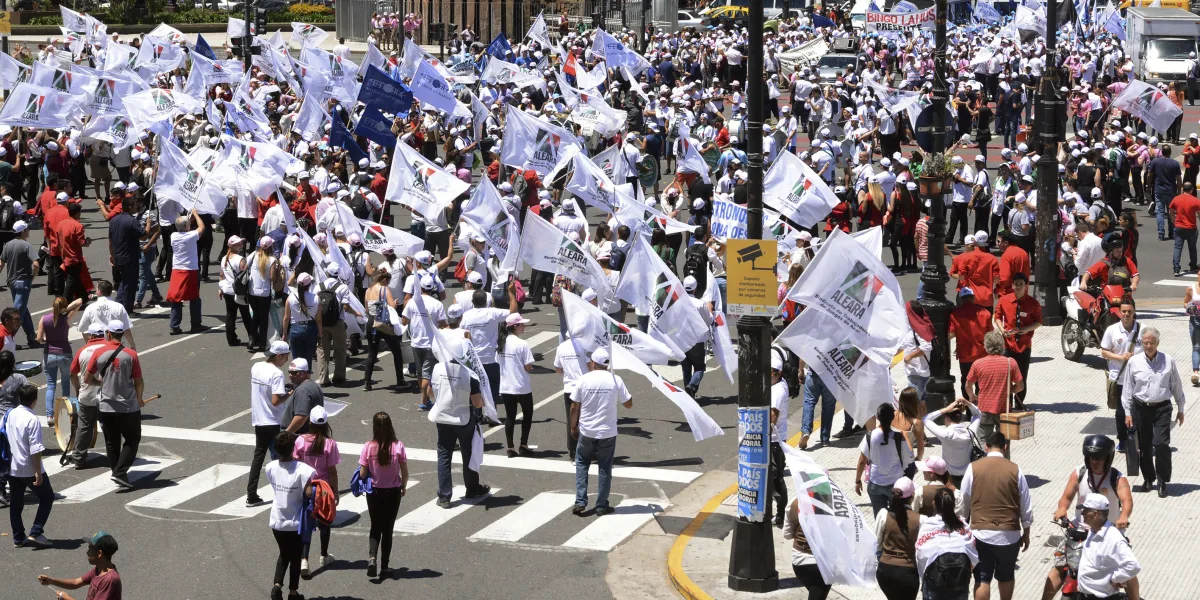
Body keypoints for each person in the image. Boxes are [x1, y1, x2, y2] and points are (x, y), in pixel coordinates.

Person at [1044, 436, 1133, 599]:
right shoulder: (1080, 473)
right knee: (1059, 567)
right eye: (1091, 458)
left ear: (1108, 458)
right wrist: (1062, 508)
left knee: (1128, 570)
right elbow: (1067, 497)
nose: (1095, 462)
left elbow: (1127, 500)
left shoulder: (1117, 478)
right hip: (1079, 530)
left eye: (1099, 458)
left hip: (1108, 531)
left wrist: (1124, 516)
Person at [960, 432, 1033, 600]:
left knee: (982, 579)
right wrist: (1027, 531)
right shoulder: (1016, 470)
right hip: (1009, 536)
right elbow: (1025, 504)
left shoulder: (973, 468)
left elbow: (964, 498)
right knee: (1007, 576)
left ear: (986, 446)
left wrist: (964, 523)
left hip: (980, 534)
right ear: (1005, 447)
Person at [1120, 326, 1186, 497]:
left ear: (1158, 343)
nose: (1148, 346)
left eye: (1152, 343)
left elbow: (1176, 385)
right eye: (1145, 343)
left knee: (1161, 444)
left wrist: (1181, 408)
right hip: (1140, 408)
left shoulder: (1168, 361)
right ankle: (1148, 478)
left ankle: (1162, 479)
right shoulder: (1134, 362)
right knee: (1145, 447)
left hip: (1162, 408)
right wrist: (1127, 412)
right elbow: (1128, 388)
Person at [570, 347, 632, 516]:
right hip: (607, 432)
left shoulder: (583, 380)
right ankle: (601, 505)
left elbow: (574, 406)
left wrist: (573, 427)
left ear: (593, 364)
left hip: (587, 430)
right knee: (605, 467)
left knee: (582, 464)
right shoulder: (615, 379)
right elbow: (628, 403)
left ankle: (580, 501)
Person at [429, 335, 489, 508]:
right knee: (468, 453)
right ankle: (472, 487)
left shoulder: (438, 368)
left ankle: (445, 496)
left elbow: (430, 392)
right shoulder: (469, 374)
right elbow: (477, 402)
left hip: (443, 416)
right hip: (463, 417)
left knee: (444, 454)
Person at [85, 320, 145, 489]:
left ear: (108, 334)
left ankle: (117, 473)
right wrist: (139, 398)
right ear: (121, 335)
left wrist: (101, 384)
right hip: (128, 406)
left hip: (106, 406)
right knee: (133, 439)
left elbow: (87, 379)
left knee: (111, 442)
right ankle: (120, 473)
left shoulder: (99, 353)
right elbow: (139, 381)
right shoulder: (131, 355)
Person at [265, 431, 314, 600]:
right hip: (296, 523)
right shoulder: (304, 470)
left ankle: (277, 585)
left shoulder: (271, 467)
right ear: (293, 448)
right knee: (295, 557)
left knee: (284, 553)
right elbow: (309, 493)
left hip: (278, 521)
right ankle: (293, 592)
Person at [359, 411, 409, 578]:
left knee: (375, 525)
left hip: (374, 492)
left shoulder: (368, 446)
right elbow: (405, 471)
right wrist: (403, 485)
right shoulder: (398, 446)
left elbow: (362, 473)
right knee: (388, 529)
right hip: (392, 491)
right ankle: (385, 566)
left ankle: (372, 557)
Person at [5, 383, 53, 548]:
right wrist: (38, 472)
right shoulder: (32, 419)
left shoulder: (10, 414)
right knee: (47, 497)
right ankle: (36, 531)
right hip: (28, 467)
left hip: (12, 466)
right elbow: (35, 449)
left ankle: (18, 537)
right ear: (34, 400)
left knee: (16, 503)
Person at [294, 405, 338, 578]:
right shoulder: (329, 444)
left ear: (310, 422)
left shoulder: (300, 441)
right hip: (324, 489)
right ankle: (324, 555)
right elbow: (332, 471)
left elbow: (295, 466)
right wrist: (336, 492)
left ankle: (304, 559)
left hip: (307, 488)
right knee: (325, 521)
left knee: (306, 523)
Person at [247, 341, 291, 506]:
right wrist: (289, 393)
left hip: (259, 419)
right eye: (286, 356)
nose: (286, 360)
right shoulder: (277, 373)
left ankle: (251, 495)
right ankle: (282, 494)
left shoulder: (256, 367)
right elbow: (275, 401)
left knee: (258, 458)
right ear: (279, 355)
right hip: (274, 421)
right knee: (280, 459)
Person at [1075, 494, 1141, 600]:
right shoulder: (1092, 531)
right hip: (1084, 596)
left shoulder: (1113, 538)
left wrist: (1116, 579)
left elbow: (1133, 565)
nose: (1082, 513)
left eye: (1085, 511)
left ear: (1095, 514)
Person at [915, 487, 977, 600]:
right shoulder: (964, 526)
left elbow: (921, 553)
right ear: (953, 504)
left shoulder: (928, 526)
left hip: (935, 585)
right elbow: (973, 555)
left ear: (934, 504)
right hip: (960, 583)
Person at [966, 331, 1023, 454]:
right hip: (1004, 410)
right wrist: (1008, 390)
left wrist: (972, 396)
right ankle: (1003, 464)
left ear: (986, 346)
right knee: (1004, 441)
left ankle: (986, 461)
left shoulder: (978, 364)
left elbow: (968, 385)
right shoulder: (1010, 363)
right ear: (1002, 345)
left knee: (983, 438)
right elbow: (1020, 386)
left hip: (984, 408)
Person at [856, 403, 915, 516]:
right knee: (897, 516)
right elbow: (909, 459)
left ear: (877, 417)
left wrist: (858, 481)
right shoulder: (899, 437)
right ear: (892, 418)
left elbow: (862, 461)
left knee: (879, 517)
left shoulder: (869, 436)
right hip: (895, 485)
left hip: (874, 484)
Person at [992, 272, 1040, 407]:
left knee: (1022, 375)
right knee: (1006, 376)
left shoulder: (1033, 303)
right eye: (1016, 284)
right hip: (1008, 344)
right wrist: (1002, 330)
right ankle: (1007, 403)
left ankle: (1019, 403)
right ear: (1012, 285)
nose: (1018, 287)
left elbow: (1038, 322)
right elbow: (997, 316)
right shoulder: (1004, 300)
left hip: (1024, 345)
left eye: (1021, 284)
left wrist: (1026, 330)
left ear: (1026, 286)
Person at [1099, 298, 1141, 450]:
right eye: (1124, 311)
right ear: (1119, 312)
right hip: (1119, 378)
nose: (1126, 314)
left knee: (1138, 410)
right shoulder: (1112, 330)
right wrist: (1120, 357)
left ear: (1134, 312)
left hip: (1139, 379)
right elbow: (1104, 352)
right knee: (1121, 411)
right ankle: (1122, 439)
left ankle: (1136, 436)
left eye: (1129, 311)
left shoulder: (1143, 330)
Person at [402, 274, 448, 411]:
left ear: (420, 287)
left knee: (420, 372)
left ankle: (425, 399)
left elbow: (404, 321)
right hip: (431, 344)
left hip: (416, 342)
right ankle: (423, 401)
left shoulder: (412, 302)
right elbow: (442, 324)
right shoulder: (437, 304)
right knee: (427, 374)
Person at [66, 323, 108, 469]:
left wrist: (77, 389)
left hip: (87, 396)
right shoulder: (110, 348)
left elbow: (72, 373)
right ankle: (115, 456)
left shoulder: (83, 350)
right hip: (108, 396)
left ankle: (78, 458)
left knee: (84, 427)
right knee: (111, 426)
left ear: (90, 336)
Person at [36, 531, 122, 599]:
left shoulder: (109, 580)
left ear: (99, 554)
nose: (87, 552)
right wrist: (51, 581)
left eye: (90, 549)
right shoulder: (99, 570)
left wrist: (66, 598)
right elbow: (76, 583)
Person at [362, 270, 408, 392]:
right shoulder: (385, 289)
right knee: (396, 351)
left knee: (372, 353)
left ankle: (367, 382)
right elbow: (392, 306)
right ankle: (400, 380)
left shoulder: (368, 290)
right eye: (388, 281)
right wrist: (395, 303)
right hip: (383, 323)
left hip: (371, 322)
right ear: (384, 280)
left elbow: (366, 309)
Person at [874, 477, 920, 600]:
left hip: (885, 570)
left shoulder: (883, 514)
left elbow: (877, 543)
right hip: (908, 572)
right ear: (913, 496)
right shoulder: (920, 519)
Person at [37, 296, 82, 421]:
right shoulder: (66, 318)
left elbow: (39, 338)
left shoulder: (44, 319)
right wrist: (64, 310)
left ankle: (50, 415)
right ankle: (66, 412)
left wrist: (46, 340)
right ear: (63, 307)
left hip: (49, 354)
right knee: (66, 383)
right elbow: (79, 301)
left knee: (51, 385)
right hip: (65, 354)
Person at [498, 312, 535, 457]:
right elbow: (528, 366)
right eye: (522, 324)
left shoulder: (501, 342)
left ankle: (510, 447)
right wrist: (530, 368)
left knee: (510, 416)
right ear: (515, 326)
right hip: (521, 386)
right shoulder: (522, 344)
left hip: (506, 386)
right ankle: (523, 444)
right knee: (527, 415)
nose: (524, 326)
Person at [923, 398, 983, 487]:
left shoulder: (945, 434)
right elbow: (978, 414)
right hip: (967, 475)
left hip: (949, 477)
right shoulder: (970, 433)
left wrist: (946, 409)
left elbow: (926, 419)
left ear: (946, 417)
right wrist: (968, 403)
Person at [166, 208, 206, 335]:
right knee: (194, 298)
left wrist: (189, 219)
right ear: (187, 226)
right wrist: (195, 213)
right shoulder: (190, 236)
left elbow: (186, 227)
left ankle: (174, 325)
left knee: (176, 299)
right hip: (190, 269)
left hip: (177, 270)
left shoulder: (173, 236)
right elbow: (202, 227)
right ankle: (196, 324)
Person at [0, 220, 40, 347]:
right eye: (27, 229)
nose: (28, 231)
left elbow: (1, 263)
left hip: (11, 282)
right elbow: (36, 264)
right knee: (17, 313)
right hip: (23, 282)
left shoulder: (8, 245)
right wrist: (32, 277)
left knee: (23, 310)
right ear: (23, 231)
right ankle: (7, 339)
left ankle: (31, 336)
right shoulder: (26, 245)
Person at [783, 496, 831, 599]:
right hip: (823, 565)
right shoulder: (836, 502)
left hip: (799, 561)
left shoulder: (795, 501)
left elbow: (787, 535)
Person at [75, 279, 135, 350]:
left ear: (99, 292)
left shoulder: (90, 308)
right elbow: (126, 328)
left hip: (97, 347)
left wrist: (89, 346)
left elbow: (83, 330)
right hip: (116, 347)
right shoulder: (119, 307)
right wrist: (132, 345)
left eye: (96, 289)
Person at [108, 194, 142, 311]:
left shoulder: (114, 220)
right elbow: (143, 235)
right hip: (129, 257)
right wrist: (148, 226)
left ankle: (118, 303)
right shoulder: (132, 221)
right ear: (129, 206)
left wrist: (112, 255)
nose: (137, 206)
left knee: (125, 281)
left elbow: (110, 241)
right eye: (135, 205)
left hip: (118, 256)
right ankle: (127, 309)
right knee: (130, 284)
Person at [218, 236, 253, 346]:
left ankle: (231, 339)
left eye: (241, 243)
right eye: (238, 244)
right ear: (231, 246)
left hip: (228, 290)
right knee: (246, 315)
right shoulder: (240, 259)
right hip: (239, 291)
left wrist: (220, 289)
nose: (240, 245)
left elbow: (222, 275)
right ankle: (252, 337)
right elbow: (246, 276)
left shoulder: (225, 258)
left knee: (230, 315)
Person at [282, 272, 321, 368]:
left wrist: (284, 334)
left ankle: (297, 379)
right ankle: (307, 379)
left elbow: (286, 318)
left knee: (296, 359)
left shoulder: (290, 297)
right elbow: (318, 319)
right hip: (311, 329)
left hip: (295, 329)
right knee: (308, 358)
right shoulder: (316, 298)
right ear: (309, 285)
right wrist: (321, 333)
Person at [769, 352, 789, 528]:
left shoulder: (778, 390)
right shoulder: (776, 385)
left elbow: (773, 416)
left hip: (774, 442)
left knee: (776, 479)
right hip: (773, 441)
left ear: (778, 373)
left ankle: (781, 515)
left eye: (770, 372)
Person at [281, 358, 323, 435]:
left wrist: (287, 433)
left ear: (303, 373)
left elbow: (301, 417)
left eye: (294, 373)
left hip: (299, 436)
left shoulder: (302, 390)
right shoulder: (313, 385)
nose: (290, 375)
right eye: (289, 372)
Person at [1170, 181, 1200, 276]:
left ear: (1183, 188)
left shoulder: (1176, 199)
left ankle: (1176, 268)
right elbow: (1199, 214)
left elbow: (1171, 210)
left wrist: (1173, 221)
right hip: (1191, 228)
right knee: (1192, 248)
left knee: (1178, 248)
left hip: (1179, 227)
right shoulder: (1196, 201)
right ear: (1192, 190)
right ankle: (1193, 265)